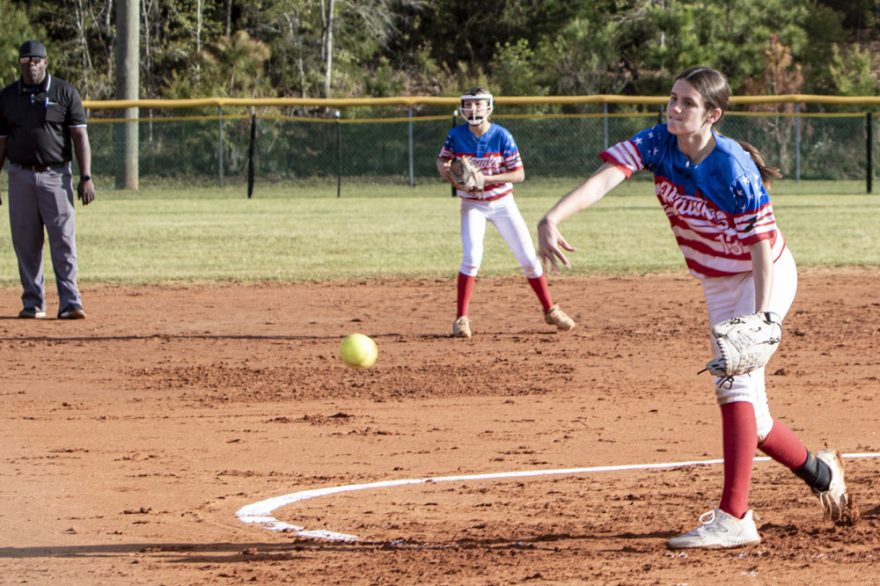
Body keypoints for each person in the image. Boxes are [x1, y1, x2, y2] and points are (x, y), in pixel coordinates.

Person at [537, 67, 854, 549]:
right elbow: (604, 180)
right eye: (673, 98)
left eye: (687, 102)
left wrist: (764, 318)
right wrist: (552, 215)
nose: (674, 108)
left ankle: (736, 517)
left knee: (735, 385)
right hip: (718, 283)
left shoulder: (732, 166)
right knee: (755, 416)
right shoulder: (658, 143)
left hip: (760, 276)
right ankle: (820, 471)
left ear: (713, 114)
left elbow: (761, 248)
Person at [436, 87, 575, 338]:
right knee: (472, 258)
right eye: (469, 104)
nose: (473, 109)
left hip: (502, 204)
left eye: (479, 104)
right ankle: (461, 320)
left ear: (489, 106)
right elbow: (442, 160)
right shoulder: (456, 135)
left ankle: (550, 309)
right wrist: (446, 172)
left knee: (528, 259)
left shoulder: (502, 135)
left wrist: (486, 178)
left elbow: (519, 174)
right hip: (472, 205)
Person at [0, 40, 95, 320]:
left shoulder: (64, 92)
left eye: (36, 60)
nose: (31, 65)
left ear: (46, 61)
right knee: (25, 242)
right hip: (19, 175)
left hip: (56, 175)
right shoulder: (7, 97)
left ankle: (69, 301)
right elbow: (1, 144)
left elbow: (80, 137)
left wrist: (86, 176)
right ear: (20, 64)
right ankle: (33, 302)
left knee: (63, 240)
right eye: (26, 60)